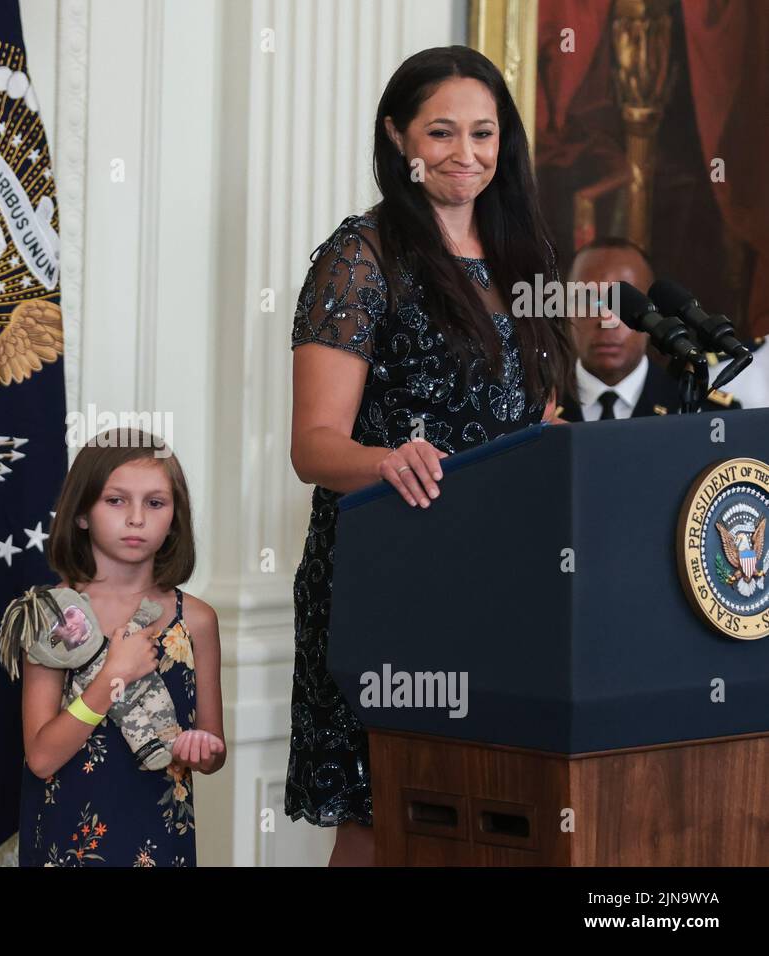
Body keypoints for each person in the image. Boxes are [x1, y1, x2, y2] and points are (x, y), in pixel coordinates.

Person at [288, 46, 574, 866]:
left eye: (483, 133)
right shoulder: (363, 256)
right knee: (384, 815)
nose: (466, 153)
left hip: (507, 581)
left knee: (495, 806)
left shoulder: (526, 255)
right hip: (392, 575)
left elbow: (535, 412)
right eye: (441, 132)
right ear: (398, 139)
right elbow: (314, 446)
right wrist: (384, 461)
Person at [17, 429, 225, 866]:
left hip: (160, 840)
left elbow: (212, 748)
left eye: (155, 503)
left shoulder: (198, 621)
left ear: (175, 519)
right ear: (81, 514)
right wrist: (116, 676)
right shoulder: (54, 615)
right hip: (66, 846)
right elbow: (41, 757)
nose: (136, 518)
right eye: (115, 500)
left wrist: (204, 752)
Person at [556, 237, 739, 420]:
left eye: (625, 303)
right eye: (589, 300)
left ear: (655, 310)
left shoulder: (707, 414)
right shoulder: (536, 408)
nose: (606, 318)